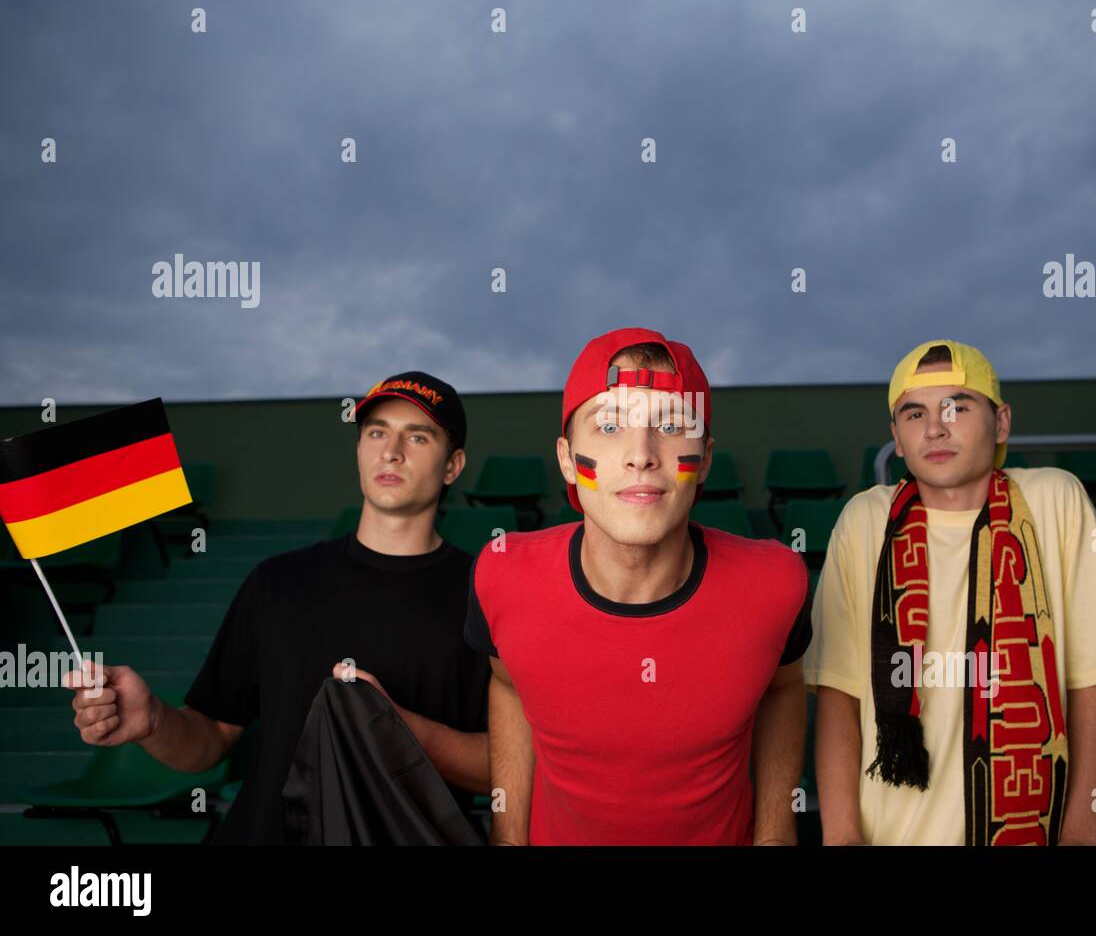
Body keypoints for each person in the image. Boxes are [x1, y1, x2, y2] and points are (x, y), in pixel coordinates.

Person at [63, 371, 492, 844]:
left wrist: (401, 731)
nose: (391, 451)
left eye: (417, 436)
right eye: (376, 432)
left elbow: (506, 768)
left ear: (453, 466)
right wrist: (151, 722)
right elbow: (209, 741)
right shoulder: (279, 582)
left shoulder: (486, 594)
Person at [464, 327, 812, 845]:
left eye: (671, 425)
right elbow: (509, 684)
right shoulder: (502, 574)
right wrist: (508, 837)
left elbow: (784, 688)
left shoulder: (775, 581)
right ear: (566, 458)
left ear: (706, 458)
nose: (641, 454)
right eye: (609, 425)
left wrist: (774, 835)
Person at [806, 340, 1096, 845]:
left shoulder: (1054, 500)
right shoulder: (864, 520)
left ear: (1002, 422)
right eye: (914, 413)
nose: (935, 428)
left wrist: (1083, 832)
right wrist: (841, 837)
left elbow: (1092, 680)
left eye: (957, 407)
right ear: (896, 438)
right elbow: (839, 695)